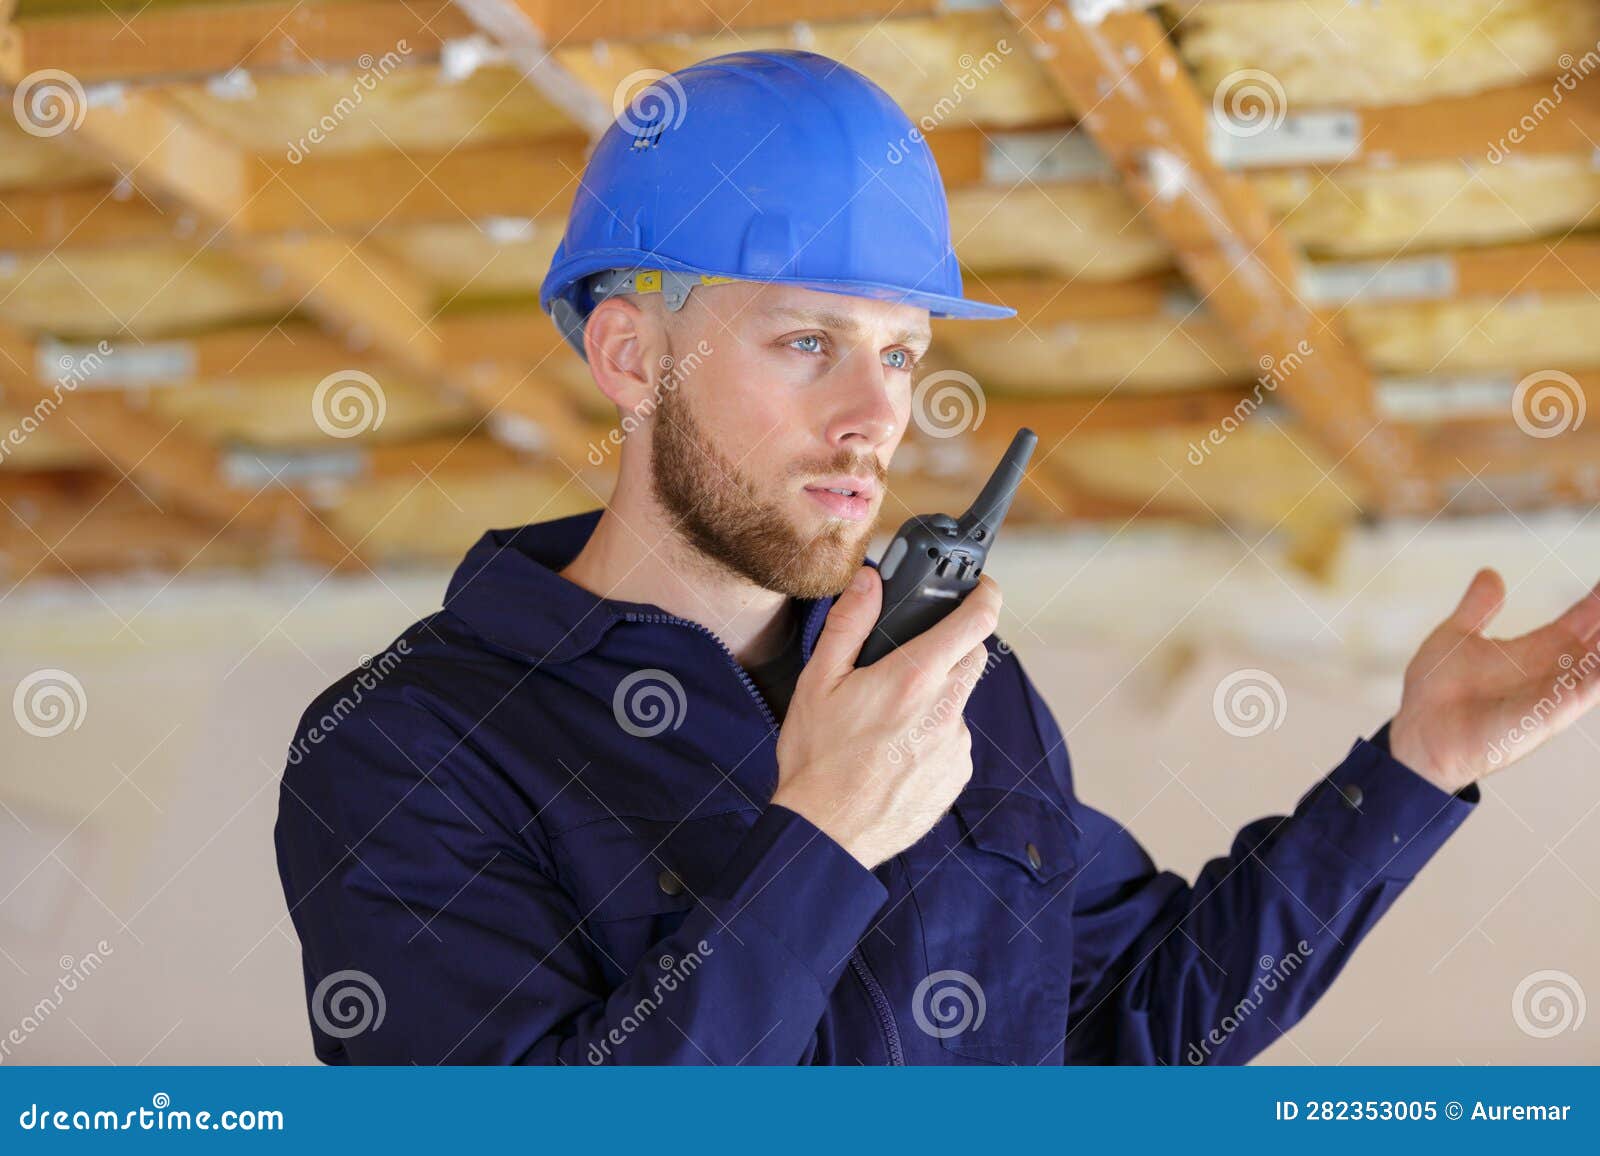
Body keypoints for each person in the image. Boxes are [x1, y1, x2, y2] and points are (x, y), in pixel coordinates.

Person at [274, 50, 1600, 1065]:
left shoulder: (953, 686)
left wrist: (1414, 769)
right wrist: (822, 837)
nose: (878, 416)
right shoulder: (405, 752)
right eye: (809, 342)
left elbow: (1143, 1037)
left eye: (902, 352)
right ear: (632, 356)